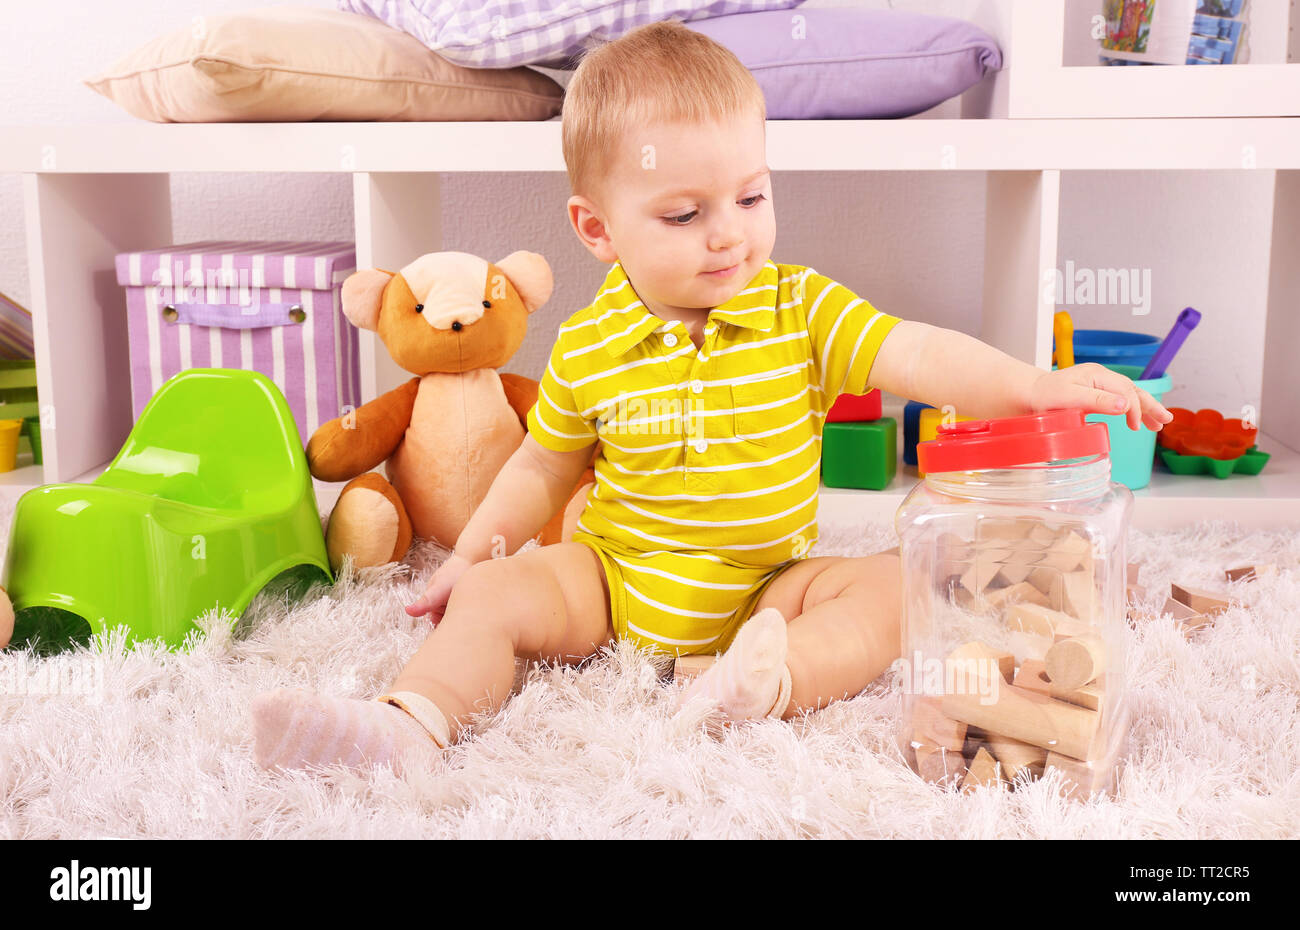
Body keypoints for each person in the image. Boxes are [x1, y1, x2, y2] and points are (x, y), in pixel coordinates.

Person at [251, 20, 1172, 774]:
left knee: (894, 588)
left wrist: (1036, 384)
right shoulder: (590, 346)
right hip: (616, 587)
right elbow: (540, 465)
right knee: (493, 595)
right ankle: (411, 723)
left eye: (752, 196)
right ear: (597, 229)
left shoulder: (799, 307)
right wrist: (472, 557)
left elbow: (920, 352)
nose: (730, 236)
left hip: (772, 587)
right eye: (686, 214)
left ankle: (762, 682)